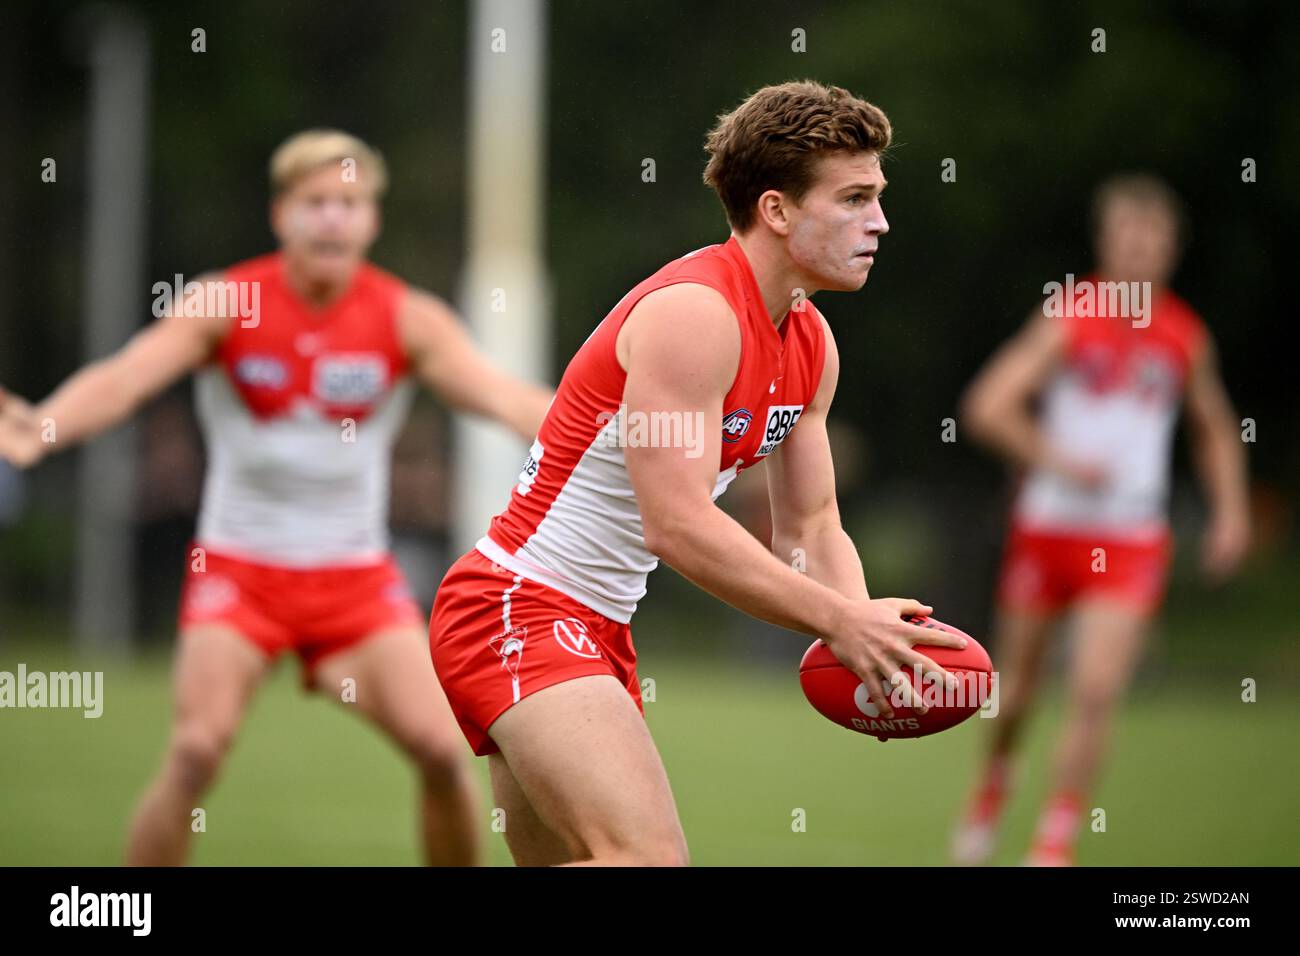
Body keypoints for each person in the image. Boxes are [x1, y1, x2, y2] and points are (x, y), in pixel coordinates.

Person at [428, 80, 965, 866]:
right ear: (777, 211)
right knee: (650, 860)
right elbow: (675, 523)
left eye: (877, 197)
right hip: (518, 607)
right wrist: (839, 622)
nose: (879, 221)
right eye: (853, 199)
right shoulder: (695, 316)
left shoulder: (811, 345)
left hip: (594, 625)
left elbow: (813, 526)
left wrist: (866, 637)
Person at [0, 129, 552, 866]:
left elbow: (506, 397)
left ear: (371, 222)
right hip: (238, 572)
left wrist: (614, 432)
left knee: (442, 752)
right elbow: (128, 376)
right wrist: (43, 426)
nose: (332, 218)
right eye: (315, 202)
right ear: (280, 214)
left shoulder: (404, 318)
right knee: (197, 751)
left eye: (349, 204)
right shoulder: (225, 302)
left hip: (355, 582)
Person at [952, 174, 1251, 866]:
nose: (1140, 250)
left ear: (1173, 247)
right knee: (1018, 693)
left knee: (1093, 689)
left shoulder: (1183, 335)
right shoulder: (1070, 314)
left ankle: (1054, 842)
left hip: (1128, 537)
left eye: (1154, 237)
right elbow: (989, 405)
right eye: (1127, 234)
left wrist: (1231, 513)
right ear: (1106, 240)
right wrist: (1057, 459)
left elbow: (1213, 427)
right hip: (1048, 529)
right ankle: (992, 785)